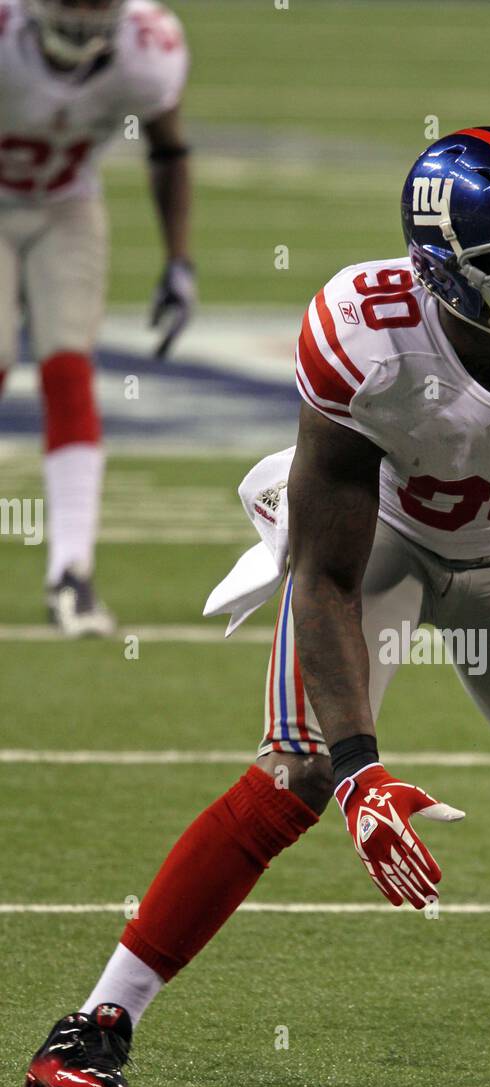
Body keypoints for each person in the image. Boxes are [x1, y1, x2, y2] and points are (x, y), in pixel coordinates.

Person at [25, 127, 490, 1087]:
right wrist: (360, 772)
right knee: (300, 770)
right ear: (446, 275)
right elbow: (323, 571)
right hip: (380, 546)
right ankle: (103, 1016)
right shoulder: (366, 336)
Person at [0, 0, 195, 634]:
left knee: (67, 366)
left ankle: (71, 574)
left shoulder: (147, 50)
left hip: (66, 203)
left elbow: (168, 150)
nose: (82, 14)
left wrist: (179, 260)